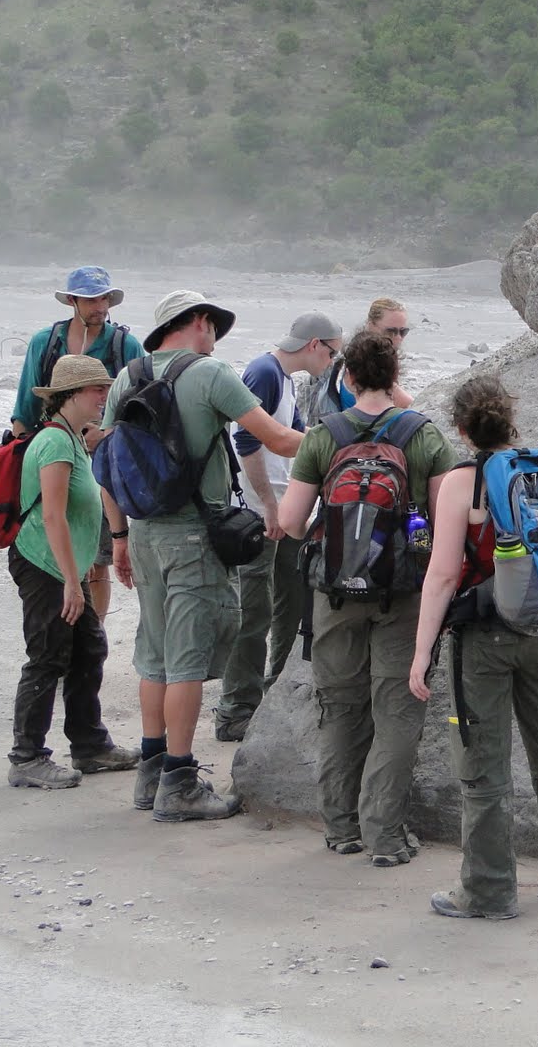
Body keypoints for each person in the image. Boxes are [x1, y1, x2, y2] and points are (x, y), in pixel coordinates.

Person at [102, 290, 305, 822]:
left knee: (154, 656)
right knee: (187, 662)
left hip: (143, 533)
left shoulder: (127, 376)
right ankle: (180, 781)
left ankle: (150, 773)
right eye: (212, 323)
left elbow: (108, 461)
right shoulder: (210, 373)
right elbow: (278, 440)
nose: (214, 333)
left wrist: (118, 538)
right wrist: (352, 435)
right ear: (198, 322)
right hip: (194, 534)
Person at [409, 375, 538, 920]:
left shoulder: (462, 483)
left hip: (486, 639)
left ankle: (489, 892)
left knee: (483, 768)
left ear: (462, 428)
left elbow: (444, 574)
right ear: (508, 419)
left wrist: (421, 652)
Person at [278, 327, 460, 862]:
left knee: (340, 708)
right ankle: (385, 835)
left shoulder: (322, 435)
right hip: (403, 594)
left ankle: (341, 828)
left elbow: (290, 524)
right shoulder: (424, 436)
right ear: (396, 377)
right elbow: (439, 526)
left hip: (333, 594)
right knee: (397, 710)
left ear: (348, 377)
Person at [6, 355, 141, 789]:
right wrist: (71, 581)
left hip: (63, 566)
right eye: (95, 389)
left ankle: (89, 746)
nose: (104, 396)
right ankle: (26, 758)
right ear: (69, 396)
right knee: (47, 656)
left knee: (88, 649)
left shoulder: (75, 438)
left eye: (104, 388)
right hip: (43, 564)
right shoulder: (55, 443)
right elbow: (53, 518)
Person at [213, 312, 343, 743]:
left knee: (293, 595)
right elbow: (247, 441)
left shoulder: (285, 379)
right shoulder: (264, 372)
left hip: (285, 509)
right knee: (254, 609)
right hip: (258, 512)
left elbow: (301, 438)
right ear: (313, 345)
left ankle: (274, 687)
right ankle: (236, 709)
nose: (333, 359)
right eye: (332, 351)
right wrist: (268, 506)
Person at [10, 266, 145, 623]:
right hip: (54, 460)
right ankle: (59, 626)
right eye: (91, 298)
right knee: (53, 540)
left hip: (103, 465)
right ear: (72, 300)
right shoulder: (45, 342)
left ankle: (91, 634)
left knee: (98, 556)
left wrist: (106, 433)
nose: (99, 306)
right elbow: (24, 408)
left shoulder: (125, 345)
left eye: (104, 297)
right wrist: (29, 455)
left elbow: (143, 409)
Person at [297, 297, 414, 425]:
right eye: (391, 331)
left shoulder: (353, 351)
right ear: (371, 325)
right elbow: (406, 404)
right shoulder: (366, 362)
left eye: (403, 332)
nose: (398, 338)